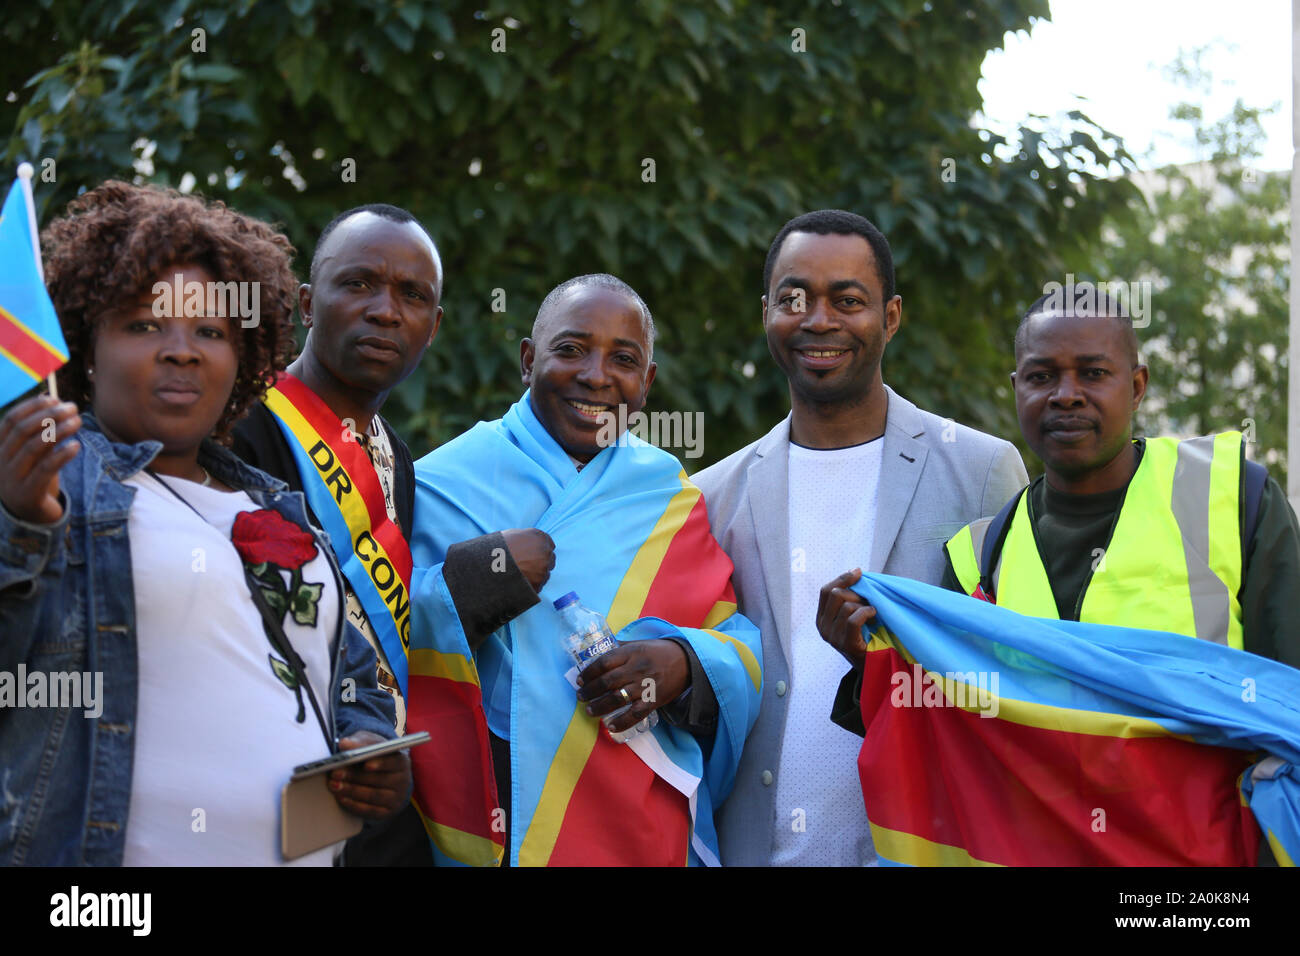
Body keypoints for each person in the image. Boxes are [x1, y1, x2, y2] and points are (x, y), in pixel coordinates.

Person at [0, 181, 408, 866]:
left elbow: (351, 683)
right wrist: (18, 524)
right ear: (85, 349)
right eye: (144, 325)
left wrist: (373, 754)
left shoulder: (280, 506)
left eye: (211, 331)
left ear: (242, 358)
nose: (182, 350)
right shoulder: (54, 482)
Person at [817, 289, 1300, 866]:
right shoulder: (977, 556)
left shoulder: (1232, 497)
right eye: (1043, 376)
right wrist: (865, 660)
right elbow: (943, 735)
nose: (1066, 395)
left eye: (1093, 373)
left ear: (1138, 385)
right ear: (1017, 388)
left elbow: (1287, 705)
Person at [691, 209, 1027, 866]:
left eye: (847, 300)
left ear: (891, 316)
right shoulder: (711, 496)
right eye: (794, 298)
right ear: (766, 312)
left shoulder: (981, 470)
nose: (818, 320)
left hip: (925, 848)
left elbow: (1013, 678)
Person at [406, 273, 762, 866]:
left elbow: (739, 646)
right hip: (488, 820)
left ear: (646, 383)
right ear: (528, 359)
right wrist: (466, 588)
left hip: (634, 829)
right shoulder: (442, 482)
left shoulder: (668, 496)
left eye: (623, 359)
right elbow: (369, 627)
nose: (596, 376)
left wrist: (683, 664)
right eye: (570, 350)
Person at [230, 203, 446, 865]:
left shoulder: (399, 460)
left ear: (432, 328)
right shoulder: (239, 425)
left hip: (374, 794)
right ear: (305, 301)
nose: (385, 310)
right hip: (259, 787)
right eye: (358, 283)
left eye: (412, 296)